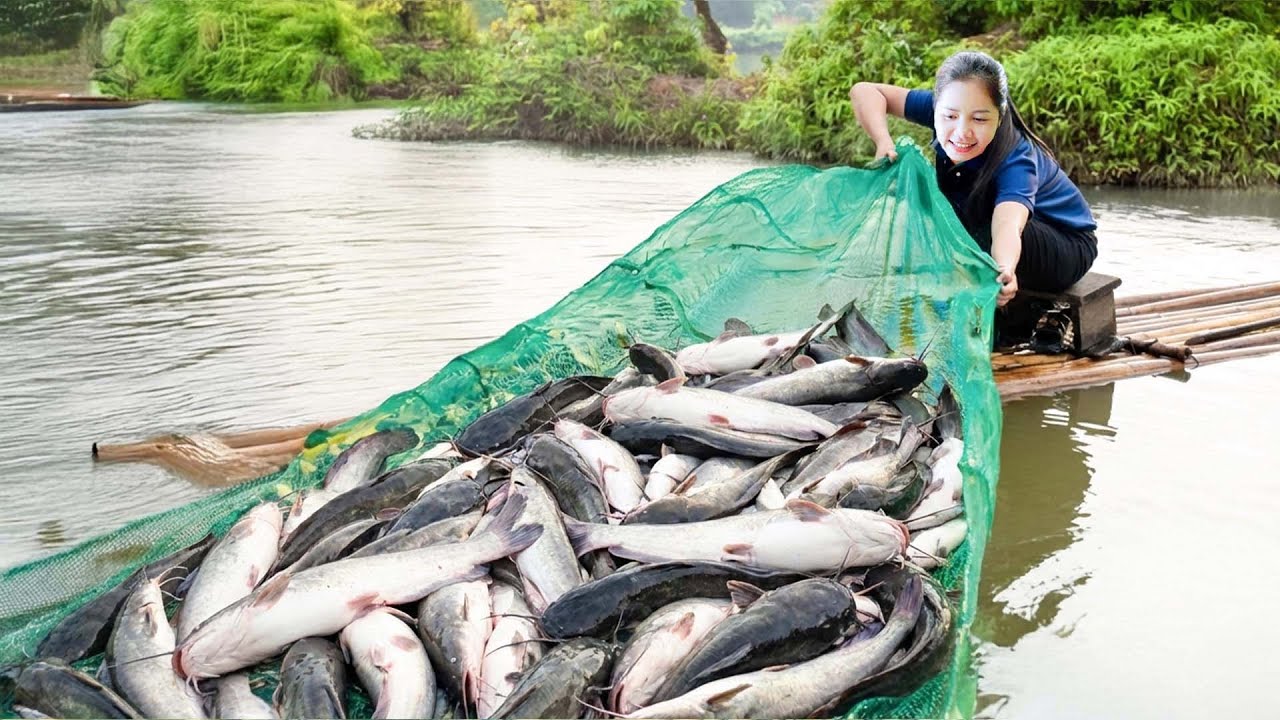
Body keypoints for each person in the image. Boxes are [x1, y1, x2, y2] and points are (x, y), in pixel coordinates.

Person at [849, 50, 1098, 311]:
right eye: (949, 116)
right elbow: (865, 91)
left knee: (982, 222)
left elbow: (1008, 224)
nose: (962, 131)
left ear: (1000, 117)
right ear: (937, 107)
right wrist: (882, 141)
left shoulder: (1017, 160)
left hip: (1065, 246)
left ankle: (1013, 304)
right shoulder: (942, 108)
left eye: (979, 119)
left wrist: (1003, 269)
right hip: (1008, 232)